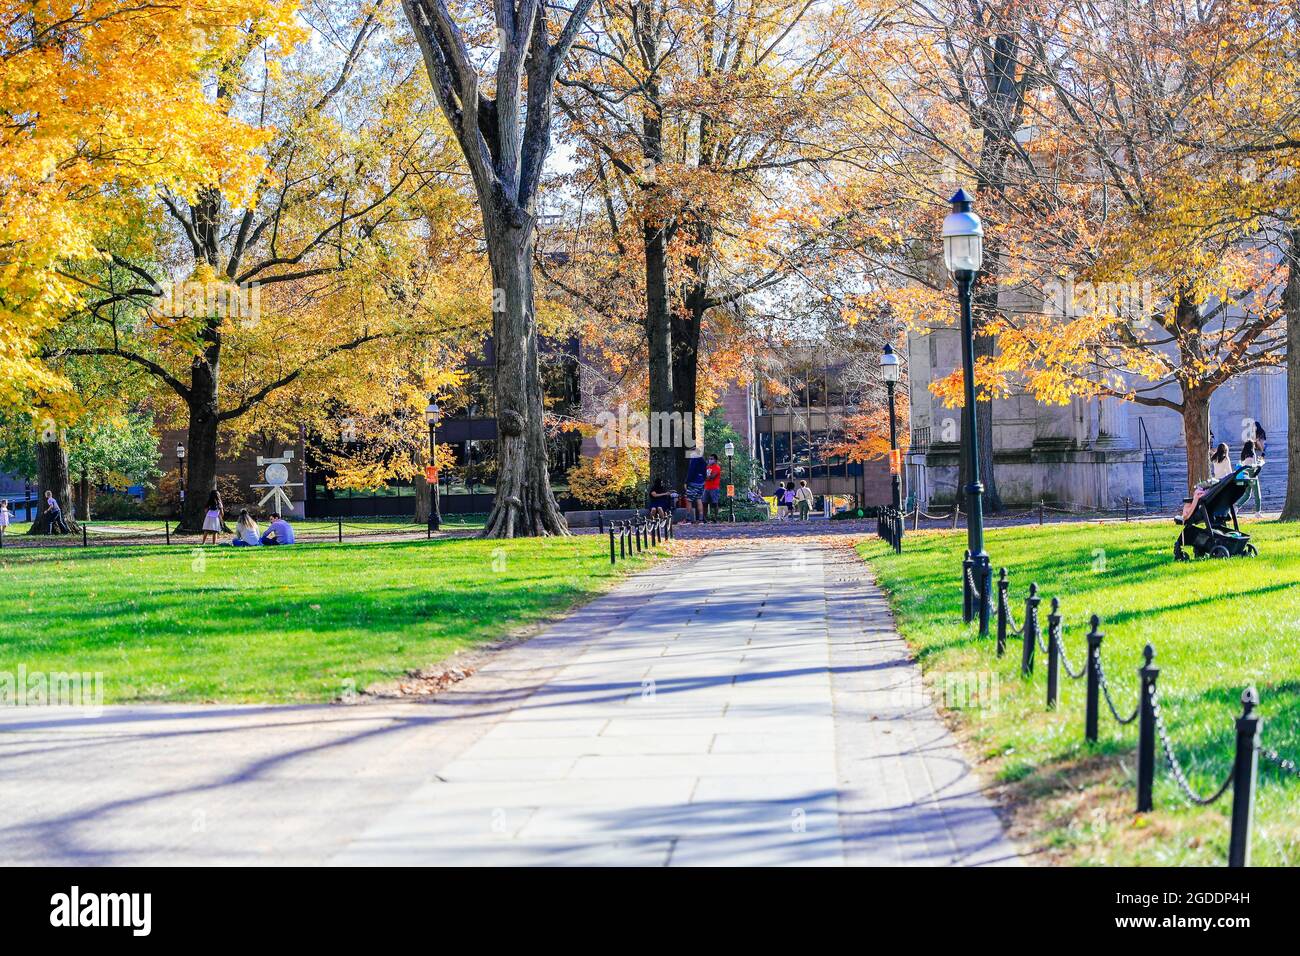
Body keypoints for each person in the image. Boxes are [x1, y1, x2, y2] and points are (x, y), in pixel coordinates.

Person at [1240, 440, 1264, 514]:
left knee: (1247, 494)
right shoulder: (1252, 454)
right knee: (1257, 493)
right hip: (1252, 475)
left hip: (1245, 474)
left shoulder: (1243, 454)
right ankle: (1257, 512)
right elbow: (1254, 466)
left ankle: (1236, 506)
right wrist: (1260, 462)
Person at [684, 450, 707, 523]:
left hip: (693, 482)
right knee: (699, 499)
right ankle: (701, 519)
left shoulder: (694, 460)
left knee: (689, 500)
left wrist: (686, 481)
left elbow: (691, 471)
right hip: (701, 482)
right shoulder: (703, 461)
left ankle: (688, 519)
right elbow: (705, 473)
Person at [703, 454, 723, 522]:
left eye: (711, 459)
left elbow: (712, 477)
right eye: (709, 459)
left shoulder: (717, 467)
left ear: (715, 460)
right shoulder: (707, 467)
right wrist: (707, 477)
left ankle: (716, 518)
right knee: (704, 503)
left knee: (715, 503)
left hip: (714, 488)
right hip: (706, 487)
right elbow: (705, 476)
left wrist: (707, 477)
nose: (710, 460)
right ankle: (704, 518)